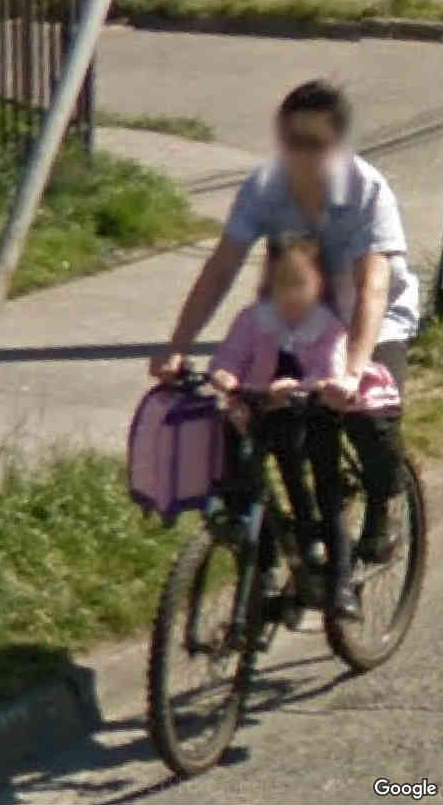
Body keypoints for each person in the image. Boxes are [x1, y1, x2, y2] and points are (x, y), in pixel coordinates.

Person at [152, 78, 418, 564]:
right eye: (293, 142)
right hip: (296, 322)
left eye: (316, 144)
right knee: (247, 420)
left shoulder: (367, 191)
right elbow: (222, 266)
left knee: (368, 415)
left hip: (371, 321)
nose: (303, 156)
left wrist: (352, 372)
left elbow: (373, 288)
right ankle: (272, 543)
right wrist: (178, 344)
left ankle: (384, 503)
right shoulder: (265, 187)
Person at [209, 233, 403, 621]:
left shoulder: (328, 327)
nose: (289, 293)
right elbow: (229, 356)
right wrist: (226, 377)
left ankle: (340, 581)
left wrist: (301, 387)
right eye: (281, 281)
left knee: (324, 491)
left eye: (299, 283)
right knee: (241, 480)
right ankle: (263, 564)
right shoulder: (253, 319)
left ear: (319, 284)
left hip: (311, 413)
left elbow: (330, 370)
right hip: (262, 413)